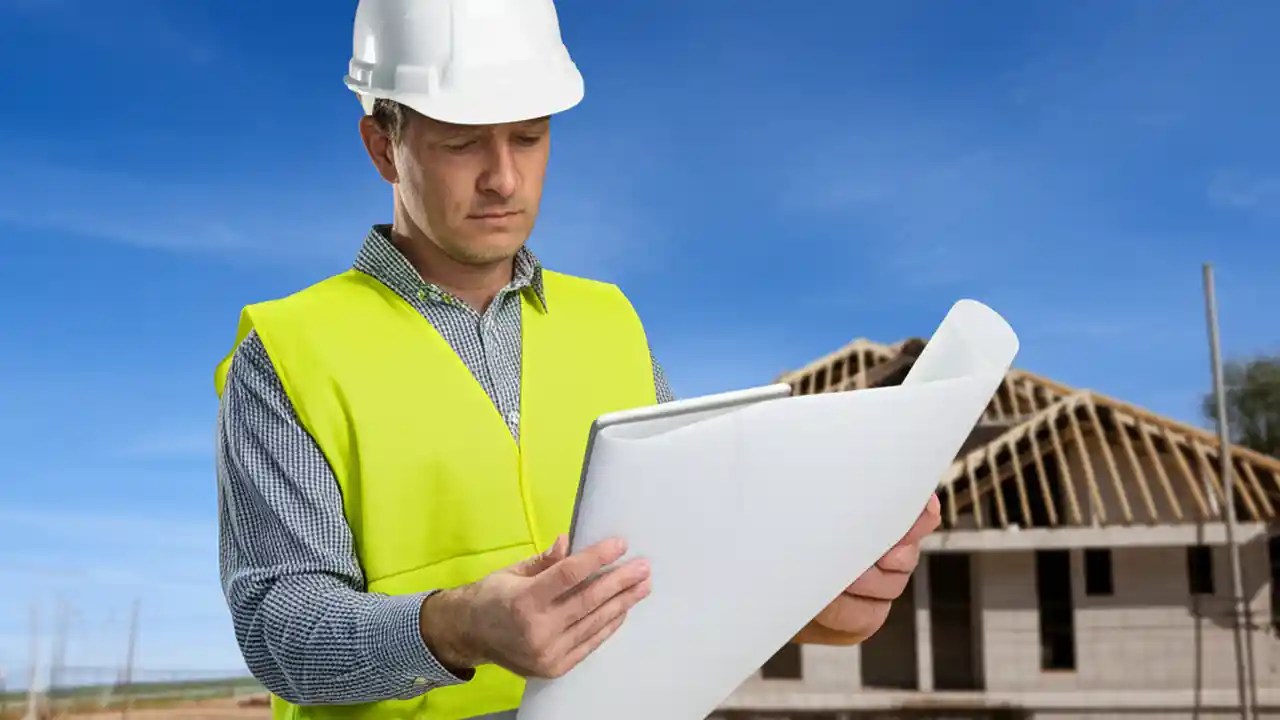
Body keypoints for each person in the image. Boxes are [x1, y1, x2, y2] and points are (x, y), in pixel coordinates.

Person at [212, 0, 941, 718]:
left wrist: (824, 601)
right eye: (463, 144)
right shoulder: (291, 351)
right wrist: (460, 626)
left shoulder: (611, 322)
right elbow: (282, 628)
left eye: (528, 138)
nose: (503, 178)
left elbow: (681, 568)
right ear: (382, 147)